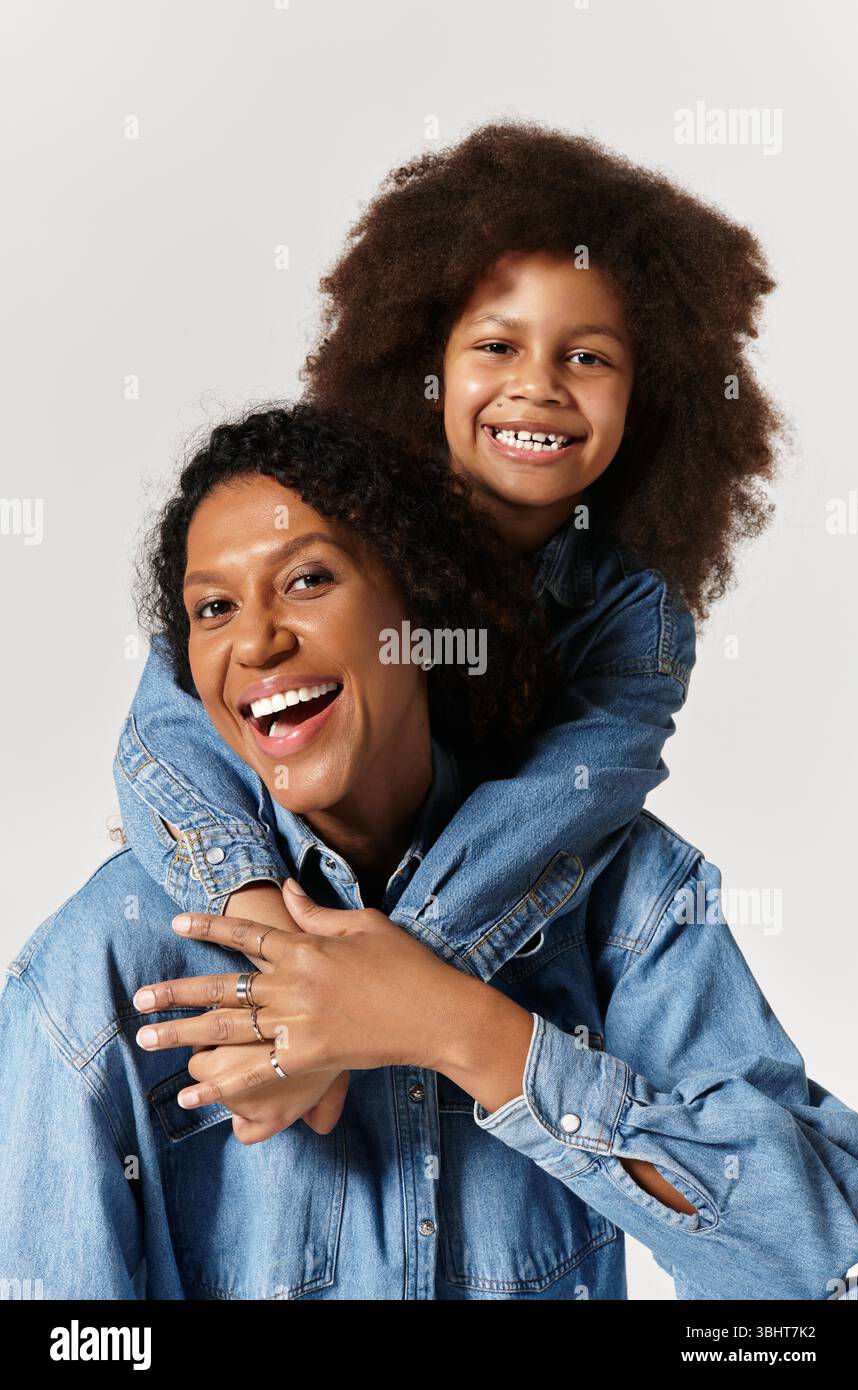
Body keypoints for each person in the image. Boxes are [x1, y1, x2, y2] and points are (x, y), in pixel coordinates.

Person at [2, 405, 858, 1301]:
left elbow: (820, 1275)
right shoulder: (97, 974)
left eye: (307, 580)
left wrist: (460, 1027)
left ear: (421, 604)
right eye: (213, 608)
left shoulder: (630, 909)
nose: (254, 641)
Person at [113, 119, 786, 1135]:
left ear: (649, 398)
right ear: (420, 357)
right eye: (496, 344)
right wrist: (271, 957)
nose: (537, 384)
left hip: (476, 960)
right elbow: (168, 720)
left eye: (588, 356)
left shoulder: (631, 618)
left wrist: (370, 1006)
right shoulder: (322, 521)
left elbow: (555, 809)